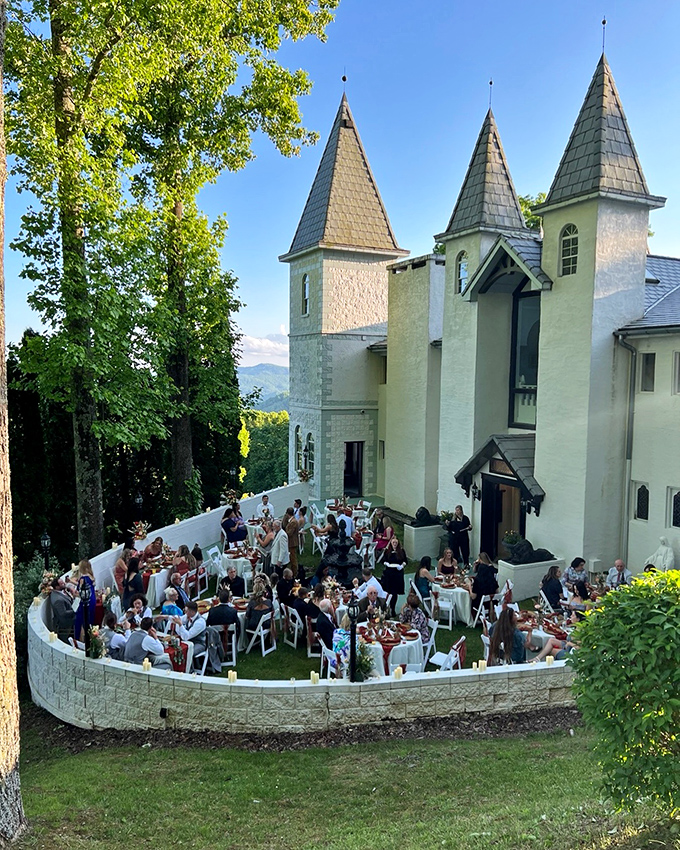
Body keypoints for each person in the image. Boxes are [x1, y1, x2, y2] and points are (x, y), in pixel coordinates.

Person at [381, 536, 406, 616]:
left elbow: (405, 561)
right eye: (393, 542)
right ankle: (387, 608)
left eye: (396, 543)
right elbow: (383, 560)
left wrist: (402, 566)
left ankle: (393, 608)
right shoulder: (387, 551)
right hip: (389, 574)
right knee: (388, 592)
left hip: (397, 575)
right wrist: (386, 563)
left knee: (395, 593)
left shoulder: (401, 551)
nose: (394, 544)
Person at [73, 558, 96, 643]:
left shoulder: (82, 579)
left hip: (85, 601)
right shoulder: (91, 577)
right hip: (92, 599)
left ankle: (80, 640)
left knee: (81, 621)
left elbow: (81, 592)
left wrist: (74, 594)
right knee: (89, 619)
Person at [50, 578, 75, 643]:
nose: (64, 583)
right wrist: (75, 610)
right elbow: (63, 613)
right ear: (57, 587)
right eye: (62, 584)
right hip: (66, 624)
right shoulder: (58, 600)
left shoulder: (61, 592)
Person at [286, 510, 301, 576]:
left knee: (293, 558)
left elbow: (290, 533)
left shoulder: (293, 522)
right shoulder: (292, 521)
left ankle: (295, 572)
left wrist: (285, 532)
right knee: (292, 558)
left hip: (292, 542)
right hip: (292, 542)